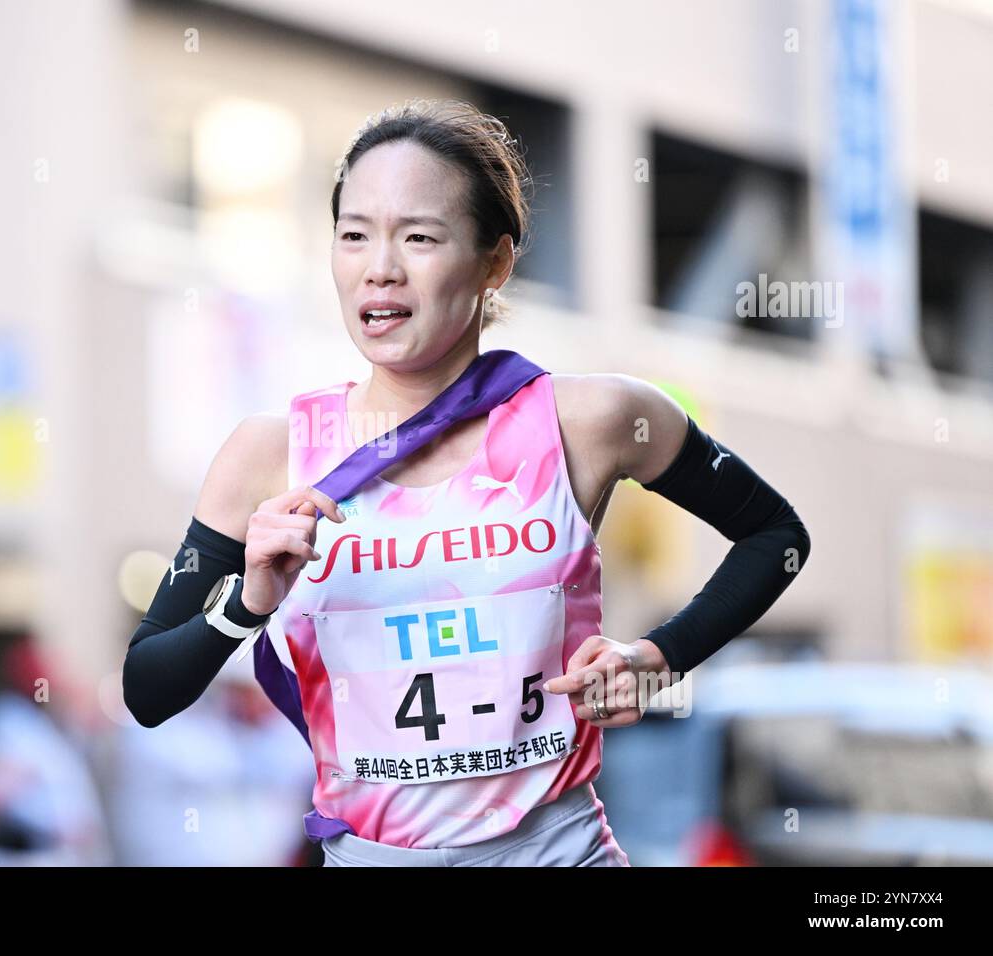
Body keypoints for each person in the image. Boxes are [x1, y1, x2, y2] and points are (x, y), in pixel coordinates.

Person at [122, 98, 811, 867]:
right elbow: (147, 691)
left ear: (496, 261)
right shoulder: (269, 454)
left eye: (419, 236)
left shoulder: (592, 417)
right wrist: (248, 603)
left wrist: (657, 659)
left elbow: (775, 535)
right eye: (354, 236)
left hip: (557, 851)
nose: (380, 266)